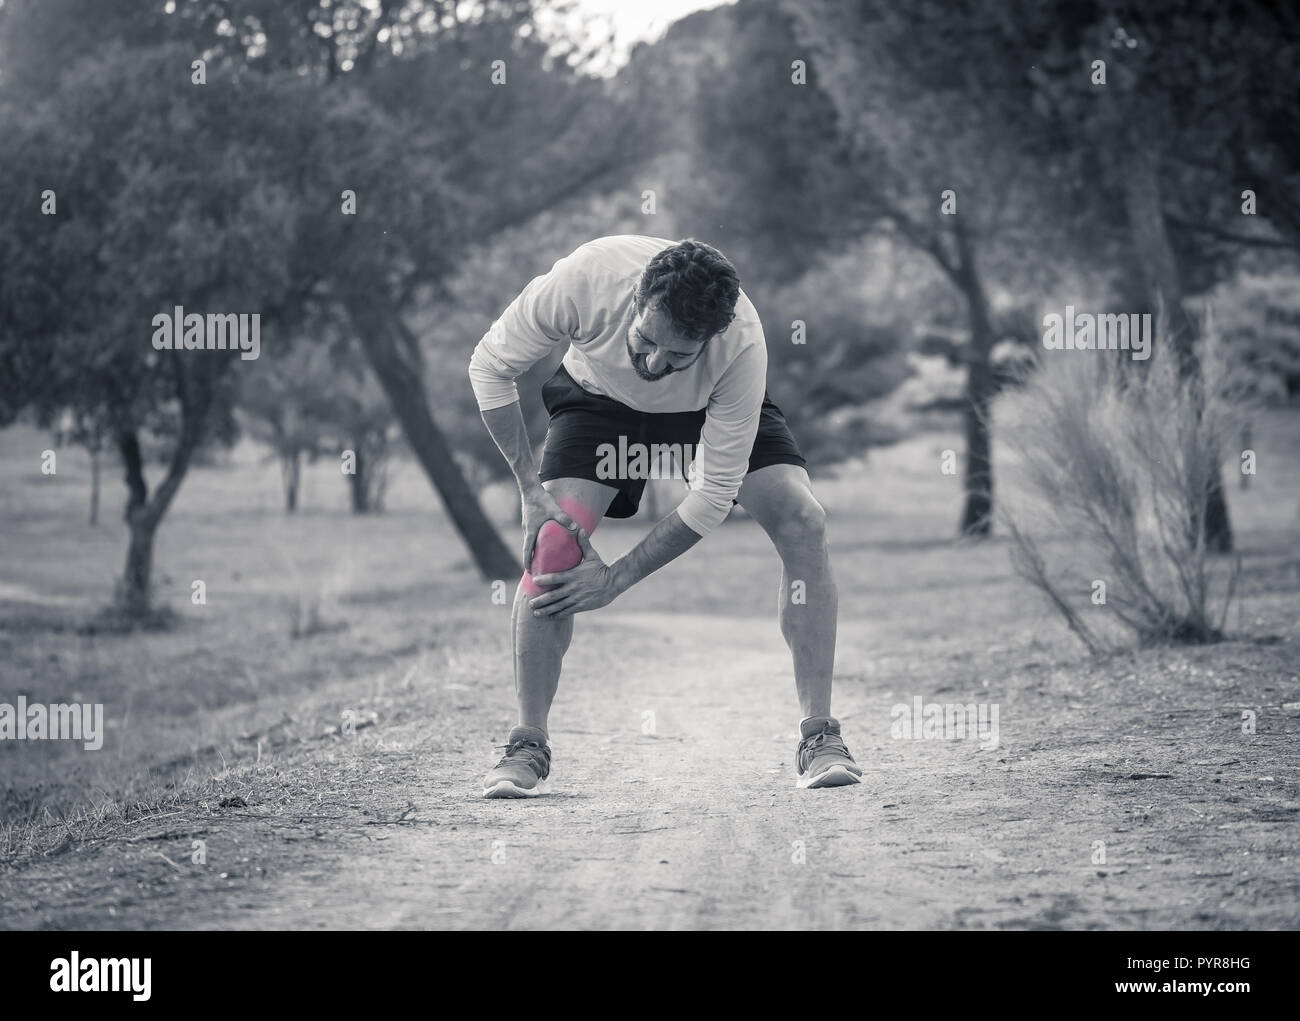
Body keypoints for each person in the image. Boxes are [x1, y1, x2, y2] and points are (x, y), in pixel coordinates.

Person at [468, 235, 861, 797]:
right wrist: (531, 490)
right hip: (598, 401)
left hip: (703, 412)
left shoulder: (741, 344)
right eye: (647, 340)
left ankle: (819, 736)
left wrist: (616, 579)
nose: (655, 363)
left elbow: (712, 495)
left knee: (804, 519)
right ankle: (527, 744)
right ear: (635, 300)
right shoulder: (585, 278)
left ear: (712, 335)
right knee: (553, 541)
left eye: (677, 354)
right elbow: (489, 366)